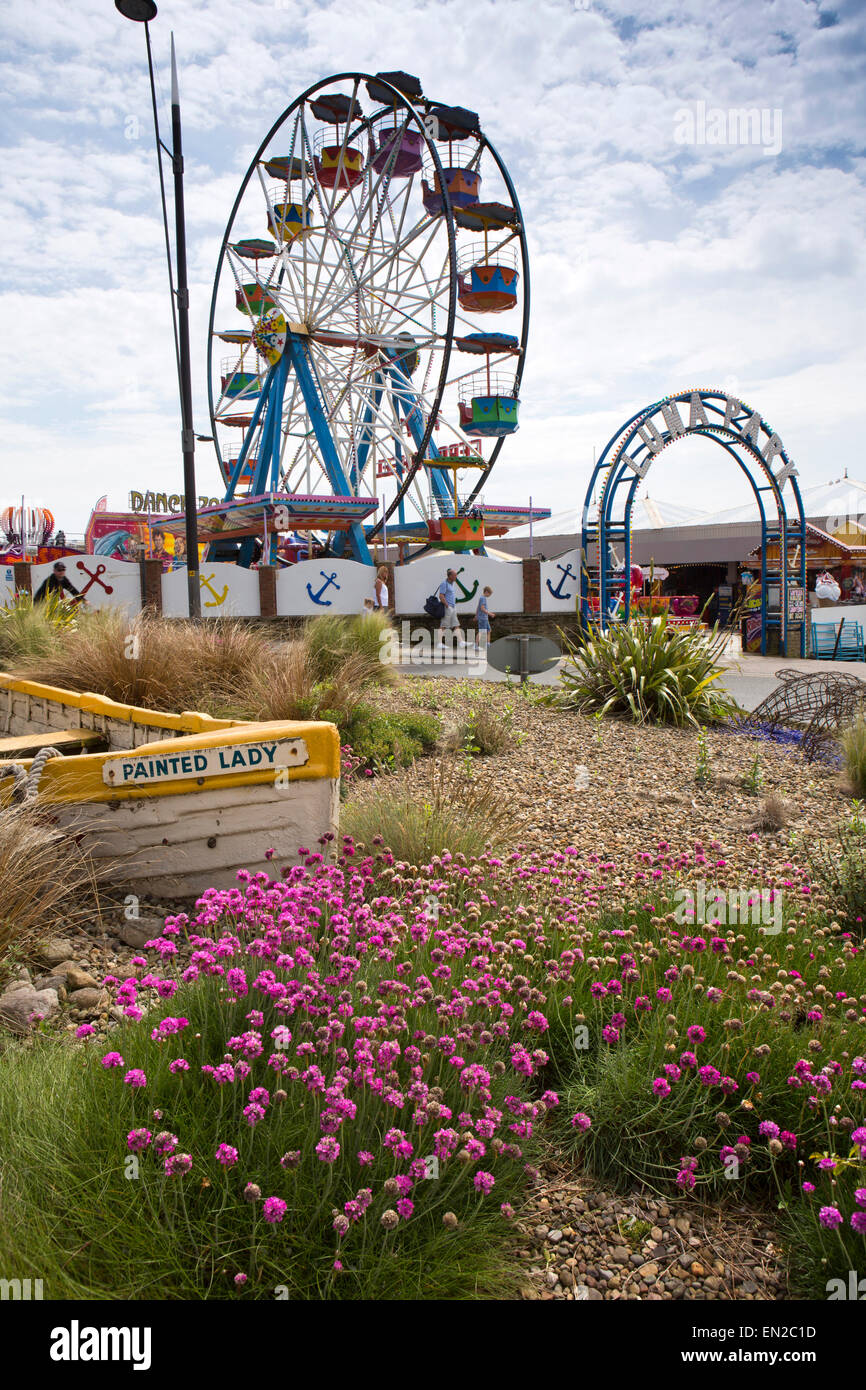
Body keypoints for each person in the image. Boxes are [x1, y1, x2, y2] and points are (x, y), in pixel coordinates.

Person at [437, 567, 463, 645]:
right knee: (443, 626)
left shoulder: (451, 584)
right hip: (448, 608)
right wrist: (447, 605)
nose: (456, 577)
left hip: (453, 607)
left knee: (456, 625)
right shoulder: (444, 583)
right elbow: (441, 596)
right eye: (455, 575)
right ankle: (439, 643)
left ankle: (461, 642)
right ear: (450, 576)